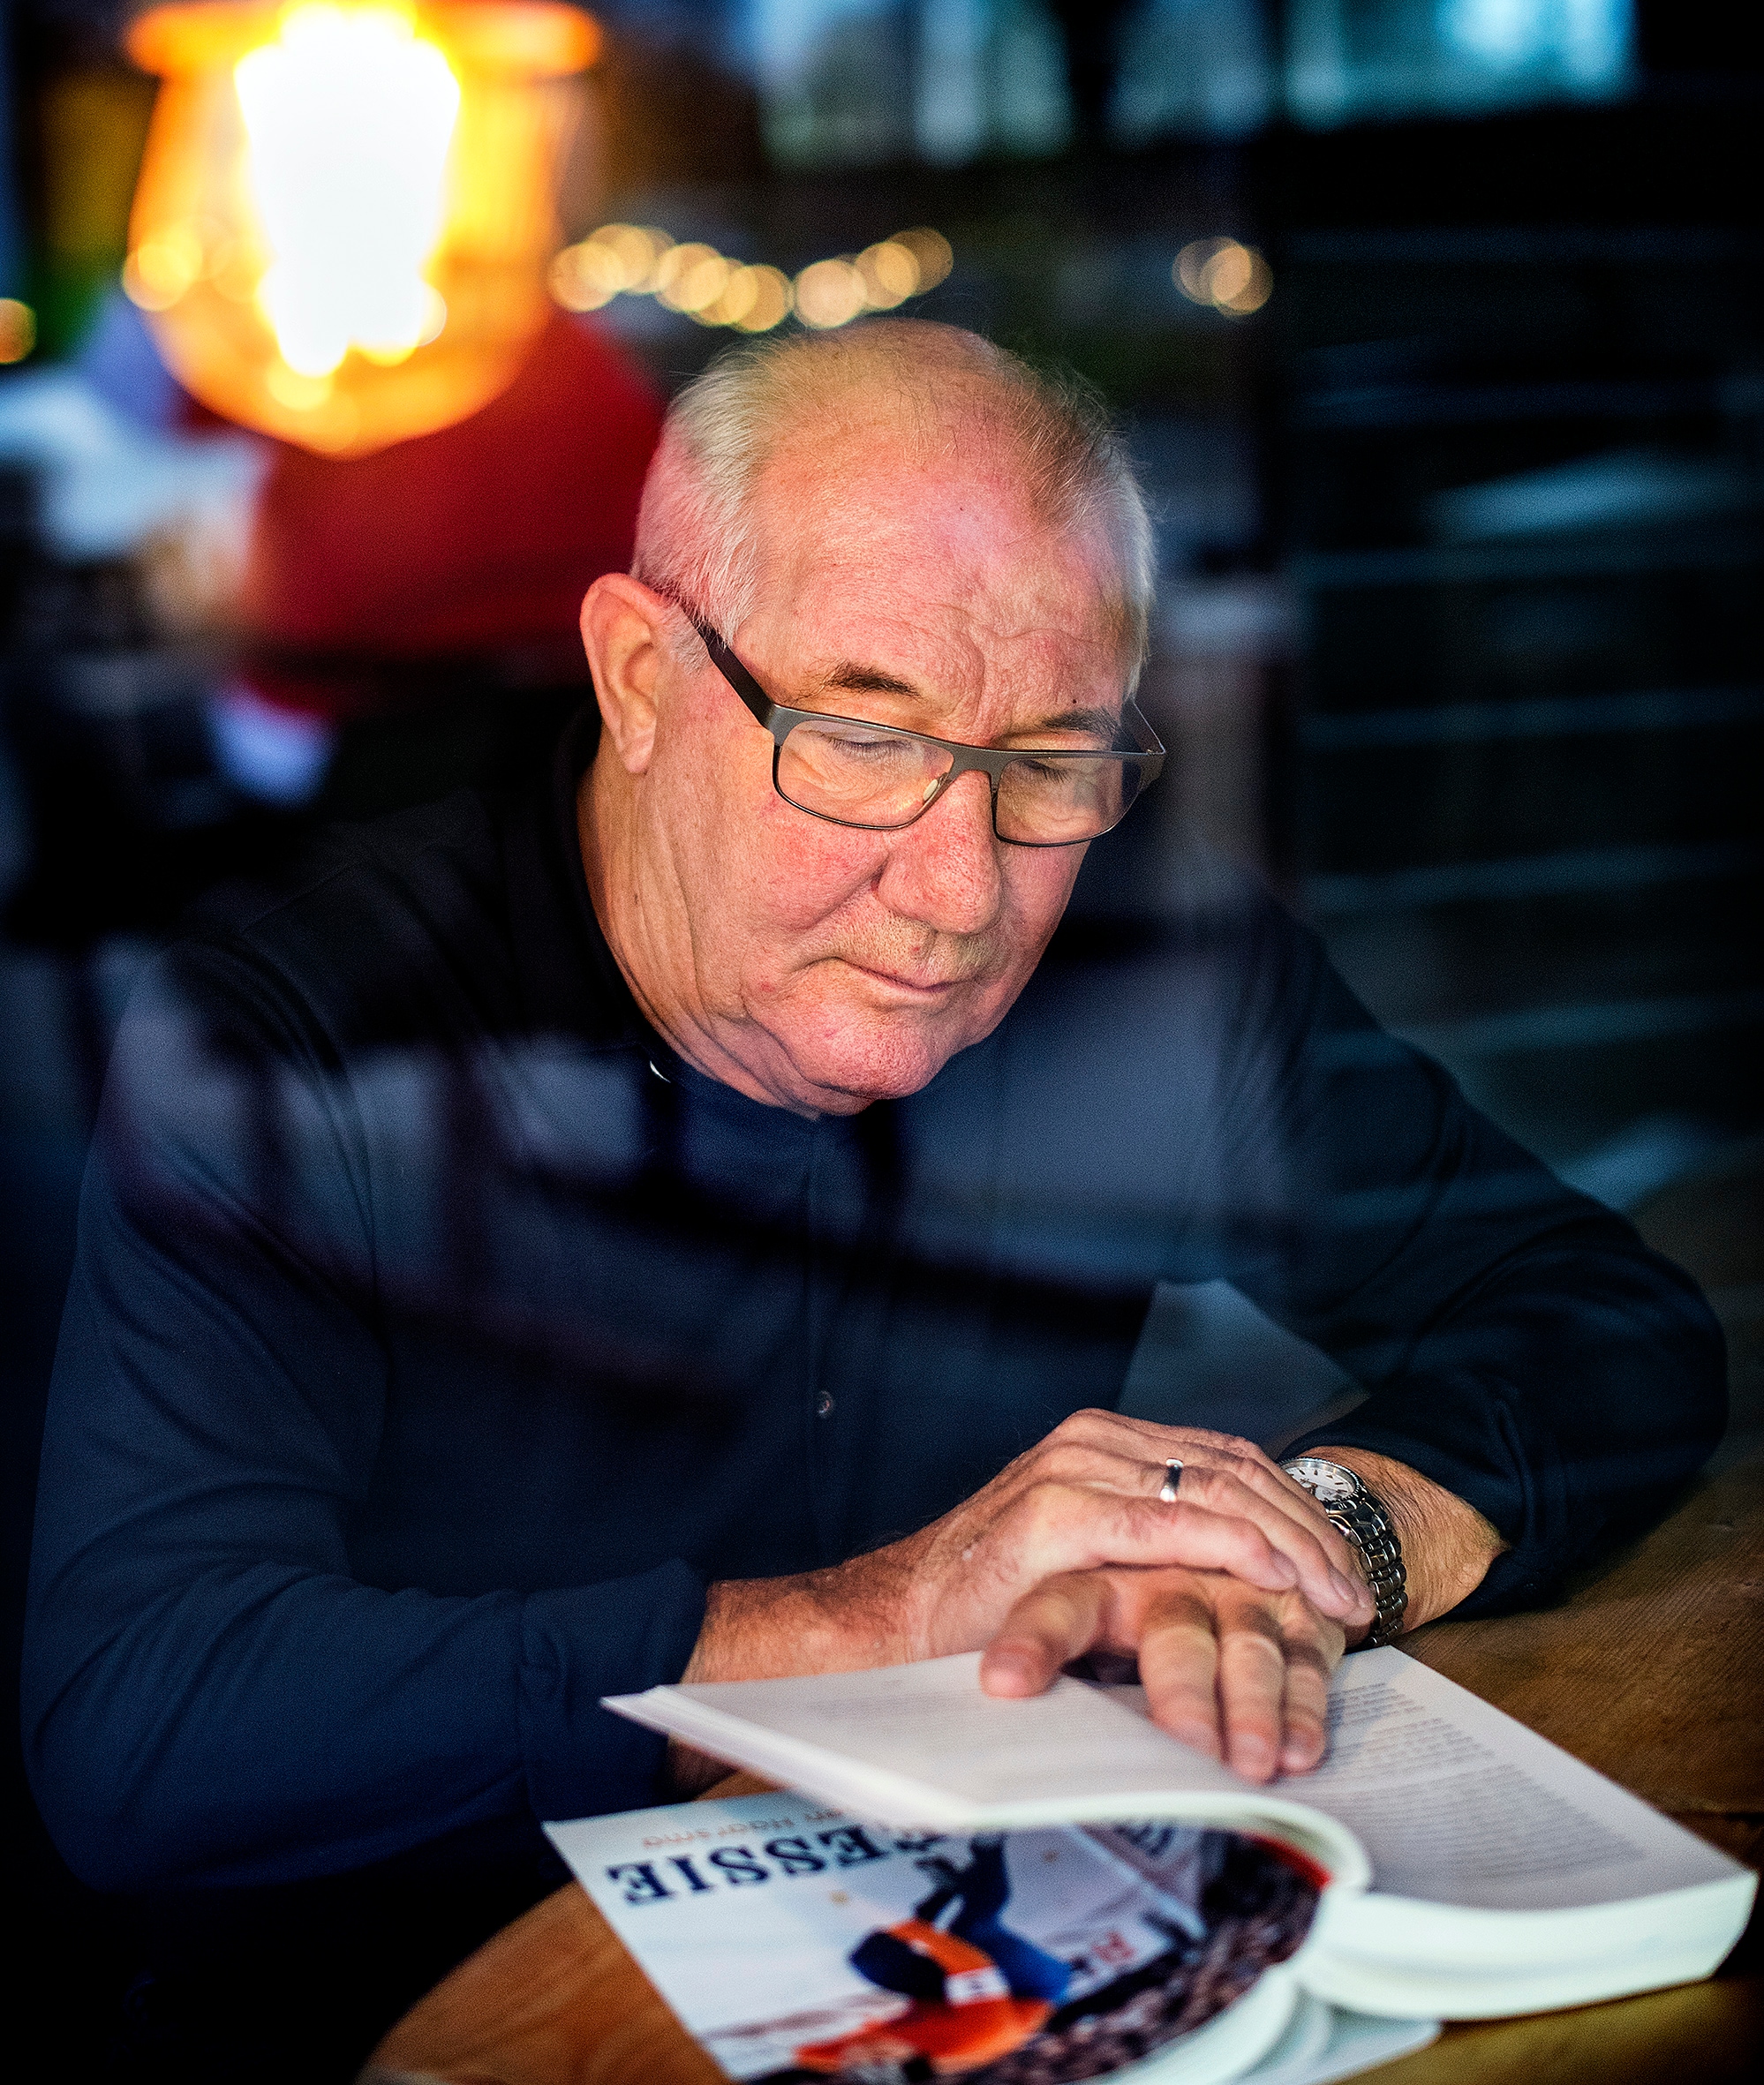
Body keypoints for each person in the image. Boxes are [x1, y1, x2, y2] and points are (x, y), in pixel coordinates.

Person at [22, 322, 1723, 2076]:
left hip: (1003, 1983)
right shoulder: (305, 1041)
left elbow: (1602, 1314)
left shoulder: (1148, 971)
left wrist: (1322, 1537)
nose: (960, 886)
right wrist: (876, 1620)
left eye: (1051, 760)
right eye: (859, 733)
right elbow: (142, 1721)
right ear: (638, 674)